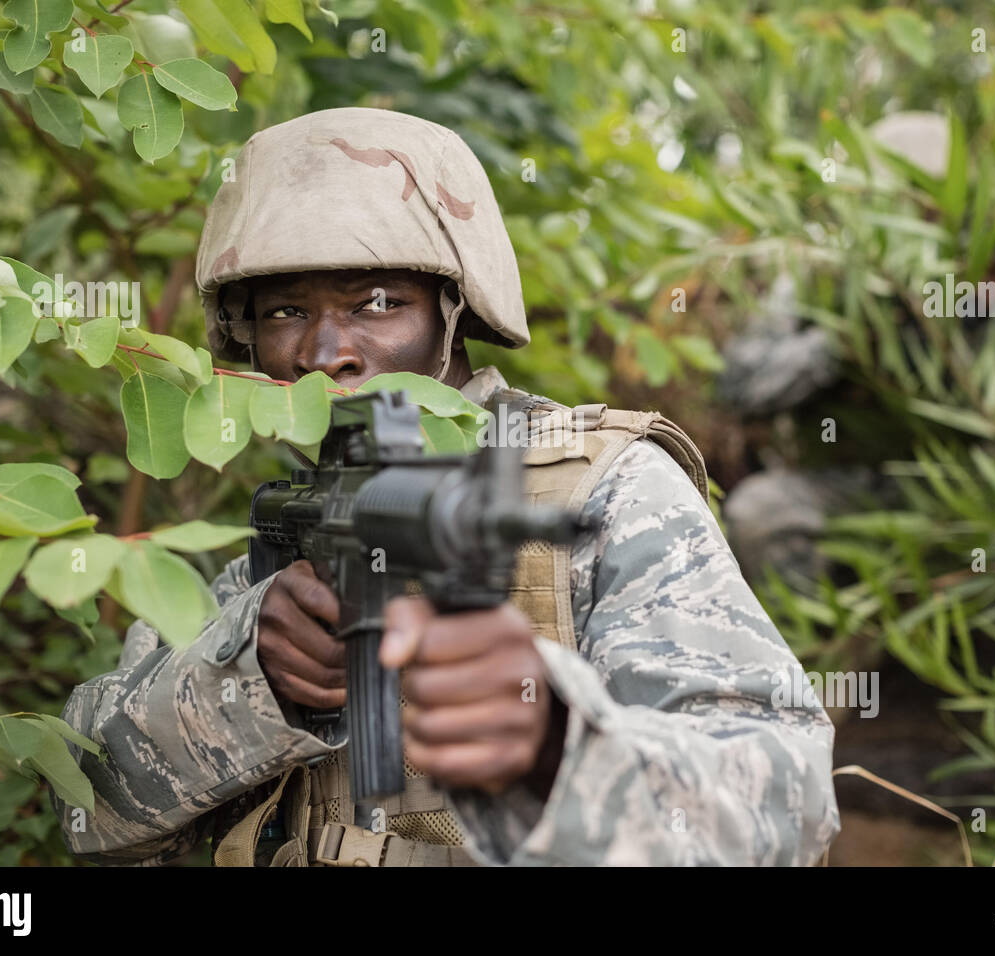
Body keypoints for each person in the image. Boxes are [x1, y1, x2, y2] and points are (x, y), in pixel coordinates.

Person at [52, 107, 841, 866]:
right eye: (288, 310)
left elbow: (784, 809)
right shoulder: (286, 541)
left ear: (453, 309)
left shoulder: (605, 491)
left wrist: (558, 748)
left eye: (379, 302)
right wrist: (253, 672)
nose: (328, 351)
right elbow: (86, 811)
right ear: (247, 336)